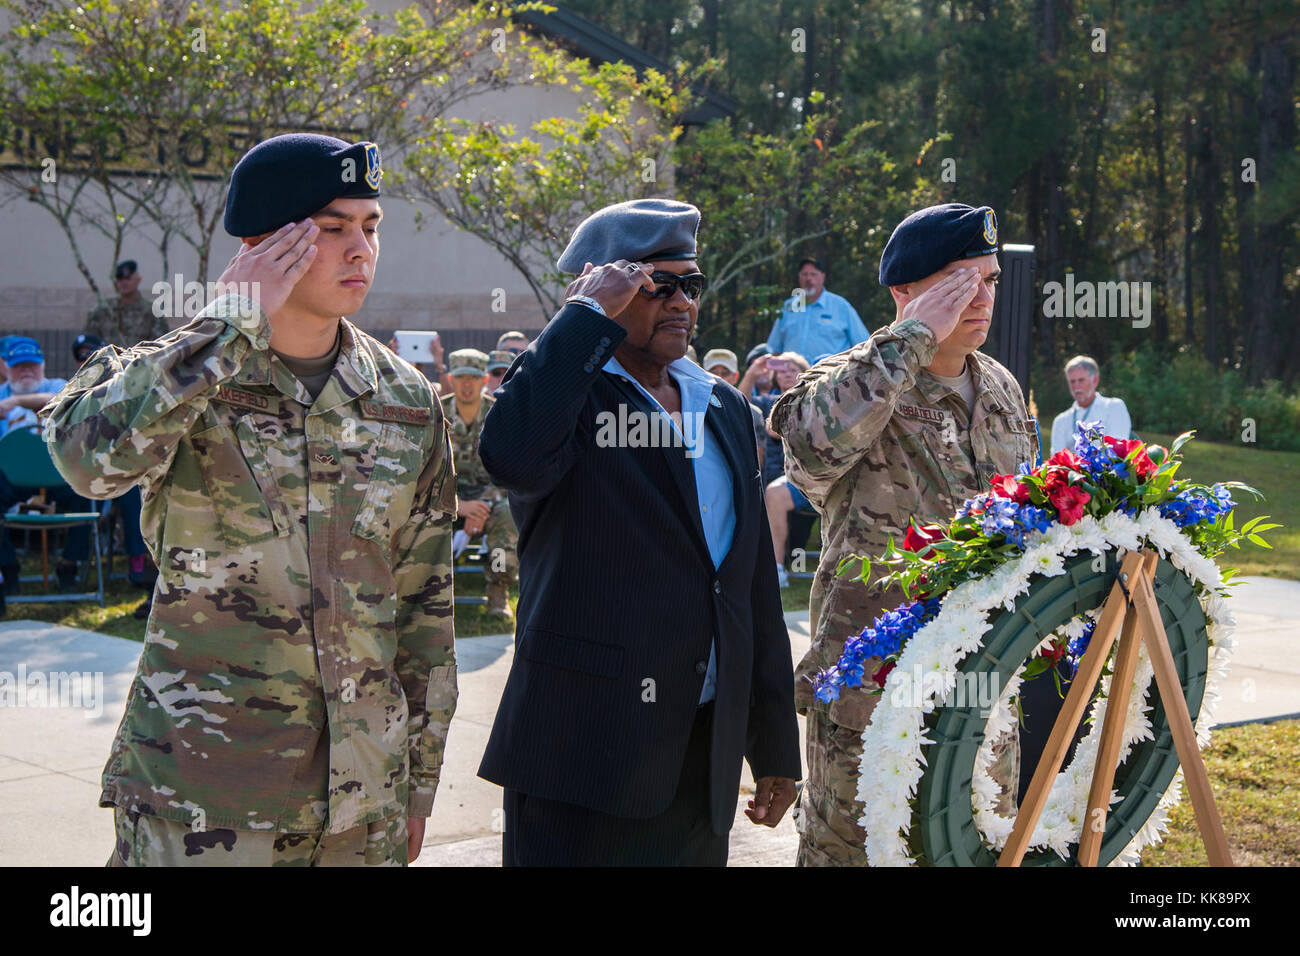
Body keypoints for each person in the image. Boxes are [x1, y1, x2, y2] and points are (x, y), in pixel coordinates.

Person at [42, 132, 459, 867]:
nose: (361, 249)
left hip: (362, 805)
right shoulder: (176, 376)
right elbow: (85, 462)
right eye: (332, 229)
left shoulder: (406, 402)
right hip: (205, 806)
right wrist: (227, 321)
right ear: (266, 245)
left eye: (371, 227)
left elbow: (426, 609)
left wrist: (417, 782)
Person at [477, 198, 801, 866]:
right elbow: (510, 456)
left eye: (693, 285)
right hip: (584, 757)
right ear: (607, 287)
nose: (682, 302)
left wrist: (772, 746)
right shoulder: (568, 393)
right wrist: (581, 321)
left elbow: (747, 586)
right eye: (660, 287)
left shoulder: (724, 407)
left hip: (700, 757)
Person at [770, 203, 1040, 866]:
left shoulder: (1002, 389)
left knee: (977, 851)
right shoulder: (851, 379)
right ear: (904, 292)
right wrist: (914, 336)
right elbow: (809, 454)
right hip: (873, 700)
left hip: (982, 694)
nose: (981, 299)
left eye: (991, 280)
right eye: (958, 282)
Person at [0, 337, 92, 595]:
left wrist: (17, 402)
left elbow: (62, 401)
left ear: (43, 365)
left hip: (60, 477)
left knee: (87, 486)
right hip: (12, 482)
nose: (26, 371)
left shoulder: (58, 386)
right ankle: (7, 571)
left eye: (32, 364)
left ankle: (69, 565)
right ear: (6, 367)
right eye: (19, 366)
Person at [442, 347, 518, 620]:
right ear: (450, 378)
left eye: (473, 378)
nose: (466, 384)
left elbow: (509, 471)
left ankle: (498, 592)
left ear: (484, 380)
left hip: (490, 499)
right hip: (446, 500)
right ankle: (433, 593)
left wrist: (481, 507)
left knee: (509, 515)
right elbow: (426, 472)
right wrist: (458, 506)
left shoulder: (501, 415)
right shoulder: (435, 414)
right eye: (461, 377)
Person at [765, 258, 869, 363]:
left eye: (813, 274)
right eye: (804, 274)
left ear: (822, 277)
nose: (808, 278)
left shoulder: (841, 307)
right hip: (792, 377)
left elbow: (864, 345)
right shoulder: (788, 307)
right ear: (799, 278)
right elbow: (775, 350)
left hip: (831, 376)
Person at [1050, 355, 1131, 454]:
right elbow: (1057, 459)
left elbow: (1117, 451)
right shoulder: (1060, 421)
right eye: (1072, 381)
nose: (1076, 386)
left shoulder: (1114, 407)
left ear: (1095, 380)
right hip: (1071, 469)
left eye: (1081, 380)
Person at [703, 347, 765, 470]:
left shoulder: (753, 414)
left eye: (725, 373)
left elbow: (756, 464)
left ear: (735, 377)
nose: (718, 377)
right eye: (712, 372)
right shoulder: (691, 409)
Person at [84, 259, 169, 347]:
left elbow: (161, 345)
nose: (124, 283)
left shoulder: (153, 311)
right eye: (120, 279)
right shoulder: (102, 311)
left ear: (138, 280)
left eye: (128, 278)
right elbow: (89, 344)